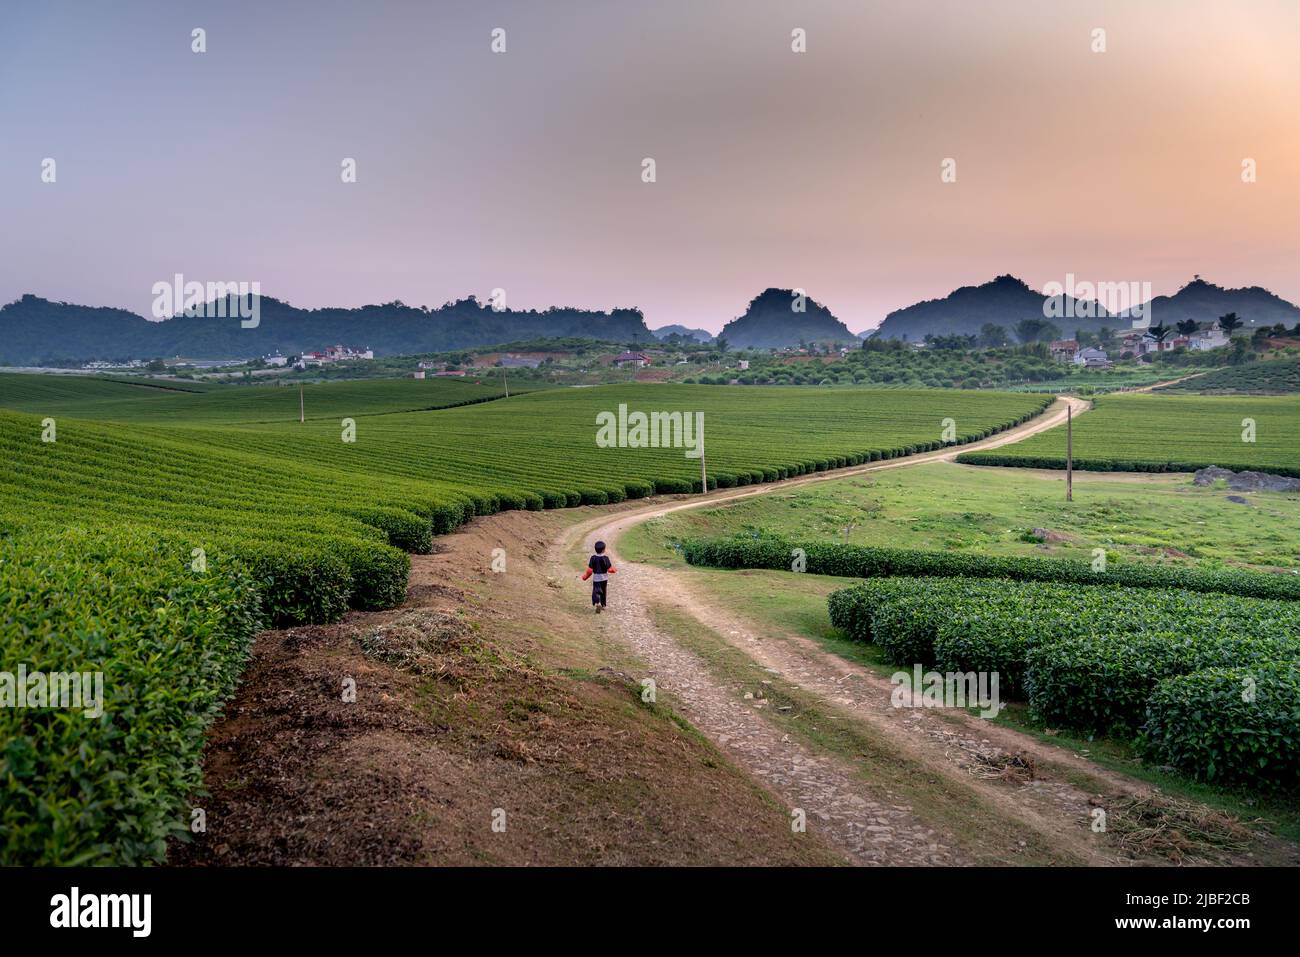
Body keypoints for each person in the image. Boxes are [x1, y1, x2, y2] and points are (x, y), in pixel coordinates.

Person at [581, 540, 616, 612]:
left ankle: (598, 603)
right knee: (603, 591)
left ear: (595, 549)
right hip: (604, 578)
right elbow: (609, 569)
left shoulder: (593, 558)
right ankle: (603, 605)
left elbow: (590, 571)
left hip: (596, 578)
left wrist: (585, 577)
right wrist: (614, 570)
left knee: (596, 591)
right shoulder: (606, 558)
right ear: (604, 550)